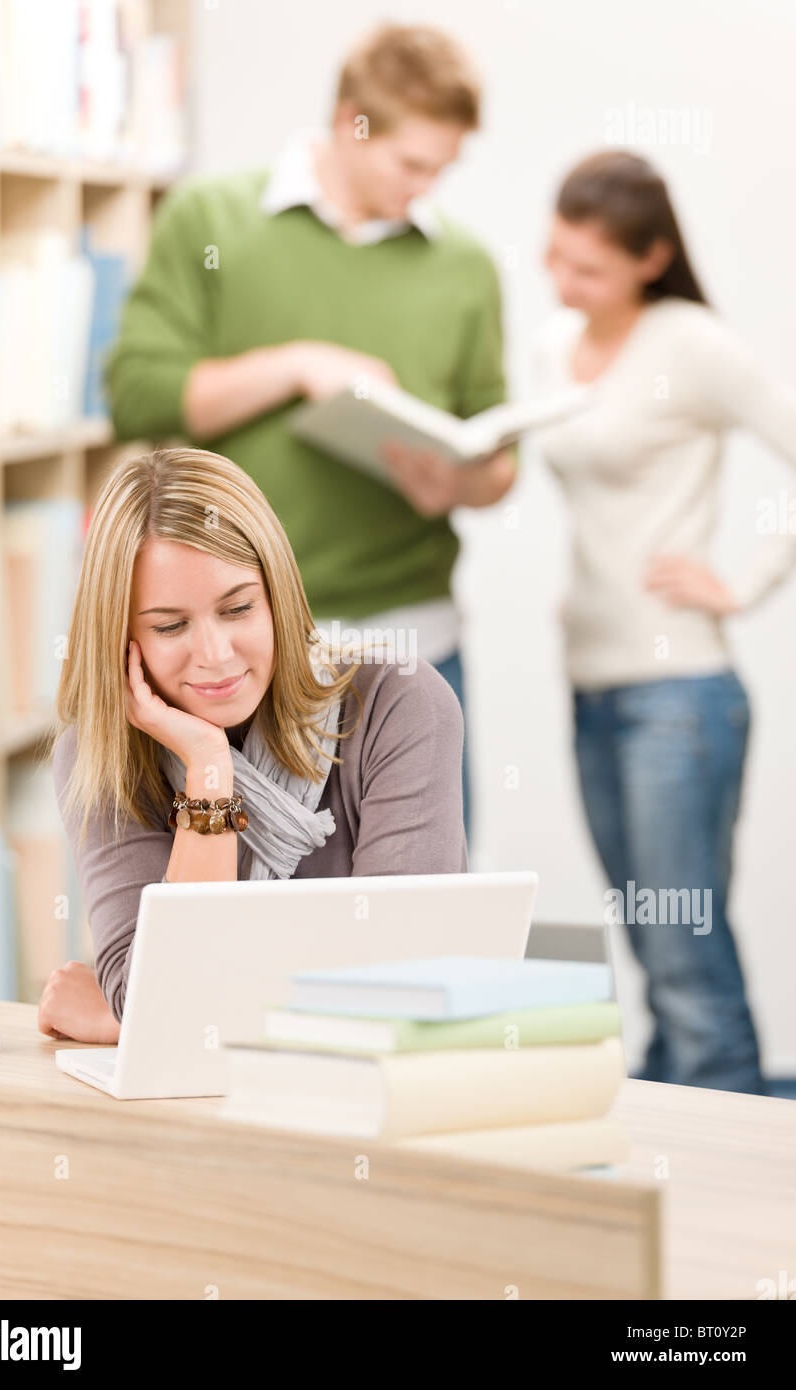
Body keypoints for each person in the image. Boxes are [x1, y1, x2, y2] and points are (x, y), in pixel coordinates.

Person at [104, 23, 518, 849]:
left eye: (443, 168)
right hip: (235, 657)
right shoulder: (212, 219)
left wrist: (464, 482)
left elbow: (499, 454)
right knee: (227, 917)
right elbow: (136, 393)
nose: (426, 185)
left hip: (413, 642)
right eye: (411, 164)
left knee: (420, 924)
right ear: (350, 121)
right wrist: (297, 365)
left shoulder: (464, 264)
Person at [41, 447, 466, 1045]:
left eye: (237, 608)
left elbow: (406, 993)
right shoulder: (98, 754)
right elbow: (168, 1008)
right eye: (169, 626)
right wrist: (209, 770)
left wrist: (131, 1018)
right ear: (121, 637)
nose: (215, 655)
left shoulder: (400, 705)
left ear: (277, 596)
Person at [532, 149, 796, 1094]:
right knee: (648, 941)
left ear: (650, 259)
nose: (564, 283)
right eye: (555, 257)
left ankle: (727, 1181)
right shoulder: (555, 342)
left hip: (679, 690)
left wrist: (746, 581)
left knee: (686, 953)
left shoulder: (688, 342)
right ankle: (667, 1148)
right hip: (593, 681)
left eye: (589, 268)